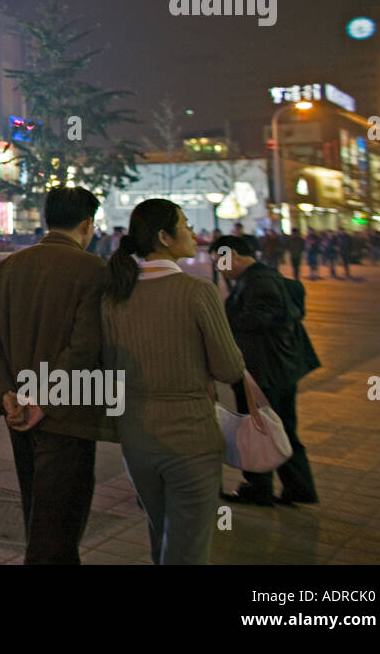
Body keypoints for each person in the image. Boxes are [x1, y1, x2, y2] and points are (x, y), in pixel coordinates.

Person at [100, 199, 246, 565]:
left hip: (137, 438)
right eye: (185, 224)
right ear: (164, 237)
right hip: (190, 438)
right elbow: (230, 368)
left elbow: (110, 367)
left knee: (162, 532)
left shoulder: (115, 295)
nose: (193, 232)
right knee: (188, 547)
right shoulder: (198, 292)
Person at [0, 187, 112, 564]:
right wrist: (44, 399)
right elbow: (84, 348)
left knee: (37, 509)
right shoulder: (95, 271)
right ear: (87, 225)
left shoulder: (6, 269)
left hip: (19, 413)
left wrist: (6, 392)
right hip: (67, 415)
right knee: (59, 526)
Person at [216, 235, 320, 507]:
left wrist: (223, 320)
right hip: (278, 369)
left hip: (264, 371)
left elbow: (260, 318)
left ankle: (258, 489)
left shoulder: (258, 281)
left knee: (257, 429)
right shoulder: (262, 277)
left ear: (235, 255)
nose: (220, 268)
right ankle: (299, 487)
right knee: (281, 428)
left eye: (221, 260)